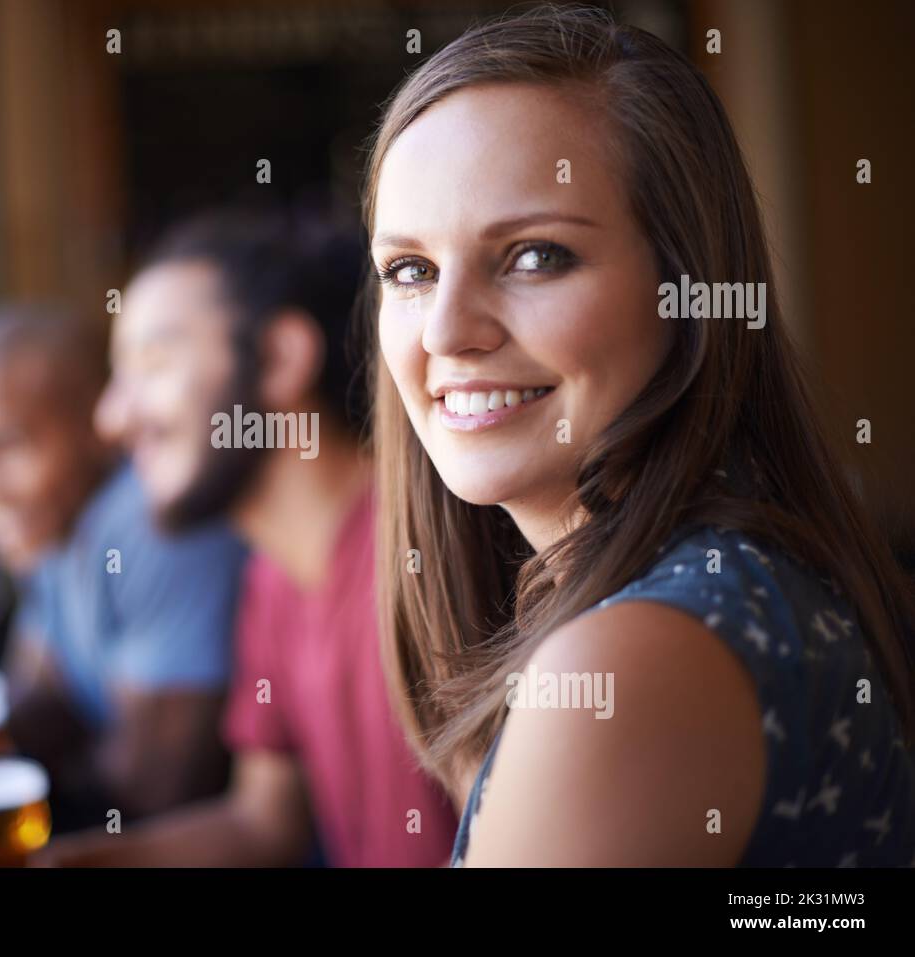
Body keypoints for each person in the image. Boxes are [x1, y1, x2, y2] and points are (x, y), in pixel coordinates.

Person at [364, 5, 915, 866]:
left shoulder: (629, 667)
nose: (444, 330)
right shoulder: (727, 585)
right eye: (411, 270)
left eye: (535, 255)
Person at [38, 209, 457, 867]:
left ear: (280, 358)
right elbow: (263, 824)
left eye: (153, 363)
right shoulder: (275, 575)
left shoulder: (430, 560)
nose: (111, 418)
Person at [0, 302, 247, 835]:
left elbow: (149, 786)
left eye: (7, 447)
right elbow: (48, 700)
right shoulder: (56, 532)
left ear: (99, 421)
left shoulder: (151, 521)